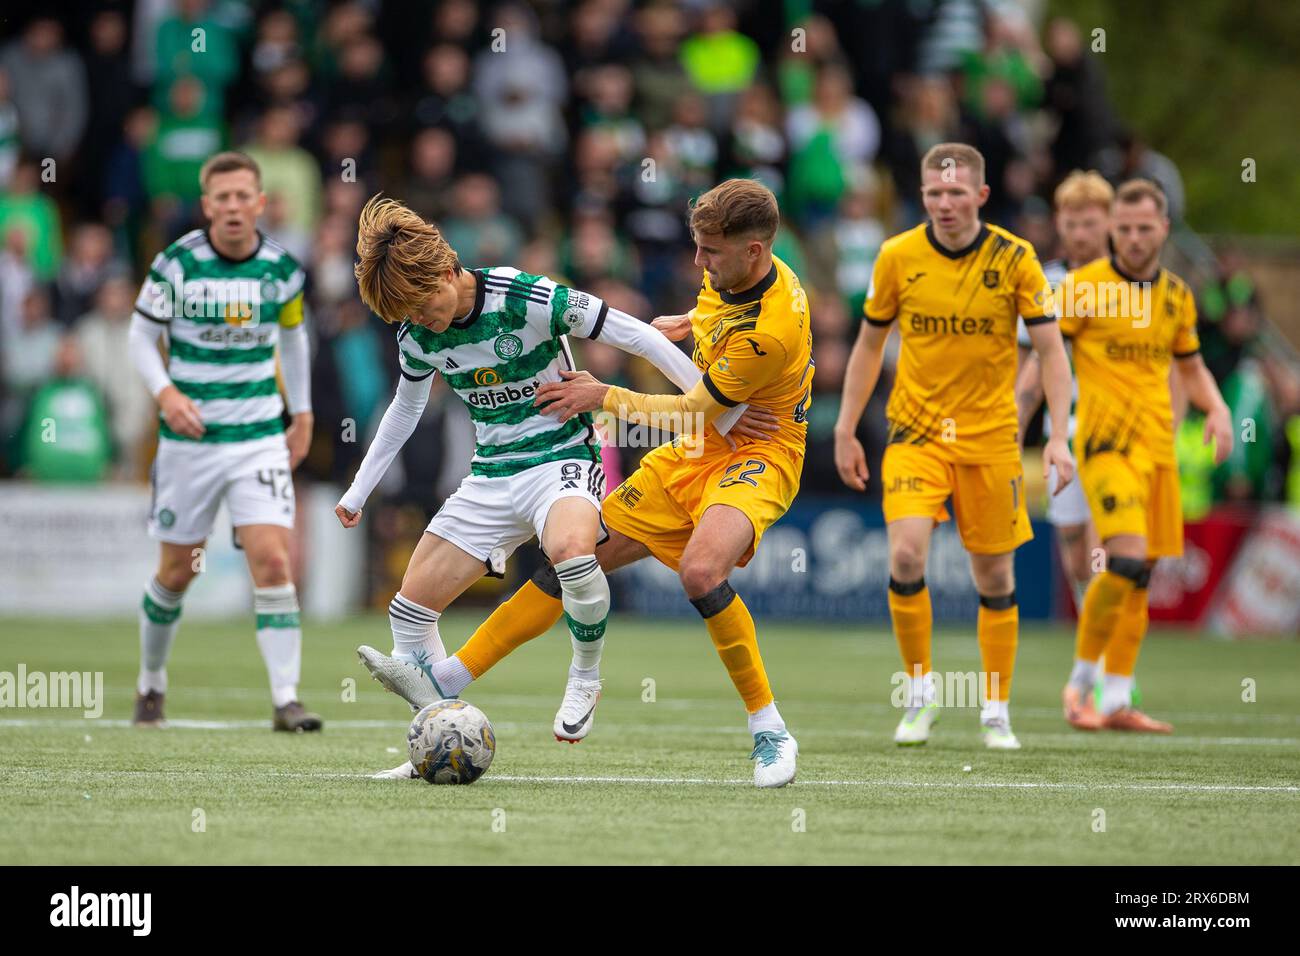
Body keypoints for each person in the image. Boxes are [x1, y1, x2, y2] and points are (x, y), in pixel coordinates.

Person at [362, 179, 809, 788]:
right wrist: (691, 324)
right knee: (572, 562)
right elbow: (716, 316)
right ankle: (446, 688)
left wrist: (603, 397)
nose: (698, 261)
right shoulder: (735, 277)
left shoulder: (773, 328)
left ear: (752, 250)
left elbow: (698, 411)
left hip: (755, 452)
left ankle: (769, 730)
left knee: (701, 572)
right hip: (692, 453)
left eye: (709, 251)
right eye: (698, 247)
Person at [834, 143, 1075, 750]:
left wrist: (1060, 438)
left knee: (993, 576)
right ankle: (919, 695)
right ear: (923, 196)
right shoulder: (897, 256)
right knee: (907, 556)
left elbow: (1051, 353)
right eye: (934, 193)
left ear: (981, 196)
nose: (944, 203)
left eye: (956, 193)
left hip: (992, 439)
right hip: (914, 433)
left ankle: (995, 709)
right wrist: (845, 425)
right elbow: (867, 345)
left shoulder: (1017, 259)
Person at [127, 151, 319, 732]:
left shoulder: (283, 269)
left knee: (273, 559)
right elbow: (139, 337)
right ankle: (151, 684)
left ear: (260, 203)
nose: (233, 207)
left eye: (244, 197)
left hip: (259, 436)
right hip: (190, 443)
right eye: (222, 198)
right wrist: (166, 395)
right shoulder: (176, 263)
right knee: (178, 571)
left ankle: (287, 700)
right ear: (207, 205)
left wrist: (302, 414)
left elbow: (293, 341)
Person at [1058, 179, 1233, 732]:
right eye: (1124, 228)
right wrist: (1052, 436)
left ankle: (1115, 702)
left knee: (1142, 576)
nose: (1133, 238)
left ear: (1163, 228)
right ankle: (1079, 687)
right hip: (1106, 445)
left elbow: (1190, 365)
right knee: (1124, 559)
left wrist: (1220, 409)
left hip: (1158, 451)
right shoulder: (1082, 289)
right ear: (1113, 229)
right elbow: (1047, 356)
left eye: (1144, 228)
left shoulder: (1178, 296)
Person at [1015, 171, 1112, 615]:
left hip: (1114, 428)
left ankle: (1107, 669)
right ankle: (1096, 643)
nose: (1079, 233)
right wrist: (1011, 431)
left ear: (1109, 222)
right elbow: (1026, 367)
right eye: (1071, 223)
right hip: (1062, 430)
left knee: (1103, 545)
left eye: (1089, 222)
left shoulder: (1133, 283)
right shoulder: (1044, 282)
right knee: (1076, 553)